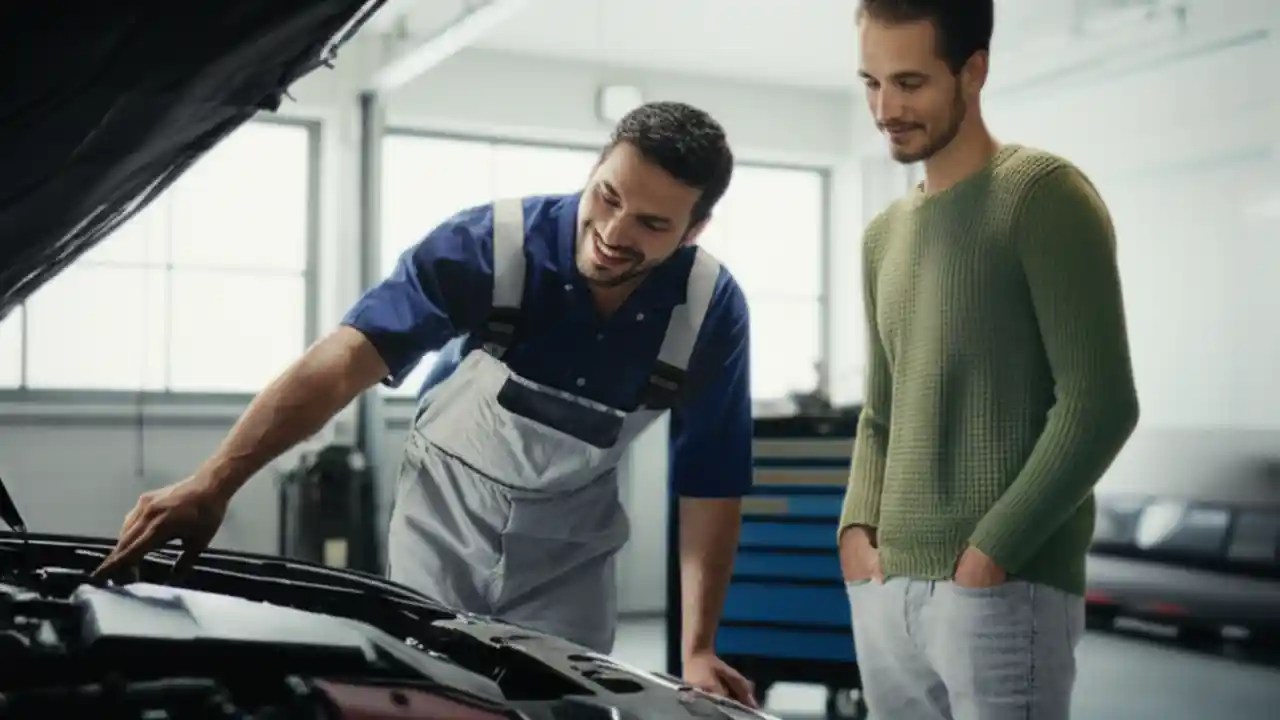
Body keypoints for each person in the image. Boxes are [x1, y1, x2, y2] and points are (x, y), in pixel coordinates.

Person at [92, 101, 759, 707]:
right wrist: (216, 480)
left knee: (565, 705)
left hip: (571, 551)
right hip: (443, 522)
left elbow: (710, 481)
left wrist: (697, 648)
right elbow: (340, 364)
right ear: (592, 171)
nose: (613, 231)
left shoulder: (708, 312)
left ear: (694, 230)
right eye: (607, 196)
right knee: (429, 694)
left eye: (651, 223)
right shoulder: (490, 246)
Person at [838, 1, 1140, 718]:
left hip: (1004, 589)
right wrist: (856, 533)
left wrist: (990, 555)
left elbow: (1099, 405)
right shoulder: (882, 236)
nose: (885, 108)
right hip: (886, 592)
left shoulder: (1043, 197)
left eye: (909, 83)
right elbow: (880, 413)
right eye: (871, 83)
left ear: (973, 72)